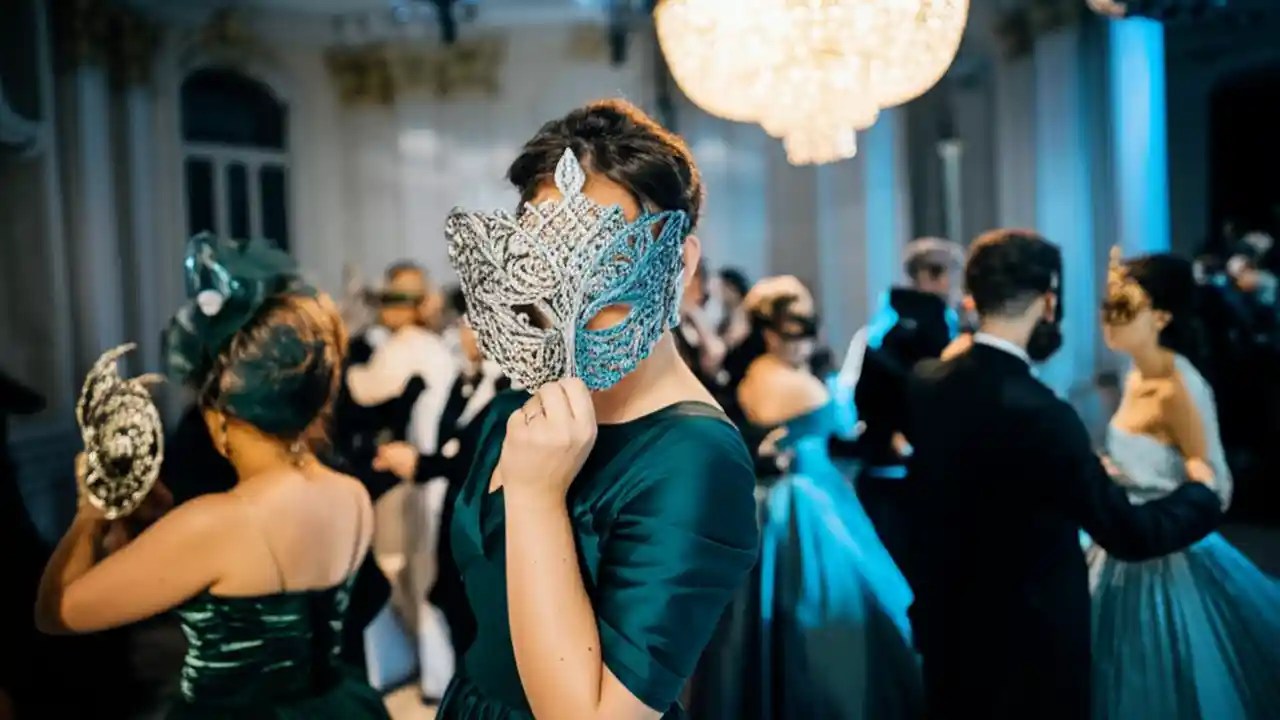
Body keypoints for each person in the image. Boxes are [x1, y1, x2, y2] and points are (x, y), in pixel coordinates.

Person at [438, 98, 759, 719]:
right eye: (543, 276)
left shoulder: (696, 459)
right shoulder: (514, 410)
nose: (568, 321)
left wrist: (536, 497)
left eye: (606, 275)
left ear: (680, 264)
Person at [34, 235, 388, 718]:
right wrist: (163, 521)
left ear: (219, 417)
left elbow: (56, 611)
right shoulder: (352, 495)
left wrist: (90, 513)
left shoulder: (213, 522)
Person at [903, 229, 1223, 719]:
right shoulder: (1044, 413)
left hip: (949, 627)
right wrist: (1202, 492)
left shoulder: (927, 381)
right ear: (1048, 302)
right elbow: (1128, 532)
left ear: (972, 297)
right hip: (1029, 645)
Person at [689, 276, 920, 720]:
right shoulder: (785, 383)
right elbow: (839, 425)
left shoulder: (767, 375)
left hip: (808, 493)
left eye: (805, 330)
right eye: (789, 331)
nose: (800, 342)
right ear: (769, 332)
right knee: (824, 613)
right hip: (804, 502)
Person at [1091, 249, 1280, 719]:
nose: (1109, 318)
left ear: (1161, 316)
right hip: (1123, 540)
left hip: (1166, 548)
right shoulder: (1135, 373)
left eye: (1124, 307)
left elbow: (1215, 480)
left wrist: (1164, 504)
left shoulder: (1180, 385)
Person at [335, 260, 459, 699]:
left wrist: (338, 352)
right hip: (430, 470)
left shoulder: (407, 345)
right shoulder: (428, 344)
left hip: (427, 474)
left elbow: (362, 388)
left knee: (423, 575)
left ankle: (437, 678)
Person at [373, 301, 513, 658]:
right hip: (454, 517)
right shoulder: (462, 380)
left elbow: (484, 459)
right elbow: (452, 442)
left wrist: (422, 465)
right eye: (466, 325)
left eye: (478, 324)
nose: (468, 334)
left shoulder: (513, 391)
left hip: (490, 528)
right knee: (454, 614)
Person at [835, 236, 962, 586]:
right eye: (944, 272)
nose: (950, 283)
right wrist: (896, 432)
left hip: (900, 462)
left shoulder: (897, 320)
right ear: (925, 275)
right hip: (904, 467)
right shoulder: (917, 324)